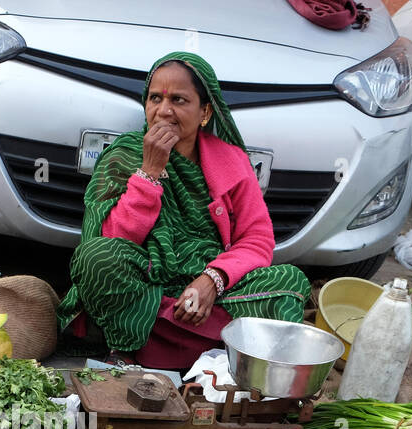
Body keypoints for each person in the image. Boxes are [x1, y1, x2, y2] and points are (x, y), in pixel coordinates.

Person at [56, 52, 312, 370]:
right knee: (96, 259)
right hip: (147, 287)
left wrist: (211, 280)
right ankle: (138, 348)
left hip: (212, 294)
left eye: (178, 99)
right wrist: (149, 173)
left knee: (289, 282)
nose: (164, 111)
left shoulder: (232, 161)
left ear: (205, 111)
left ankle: (173, 346)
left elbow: (257, 239)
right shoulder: (125, 155)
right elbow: (112, 237)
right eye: (154, 98)